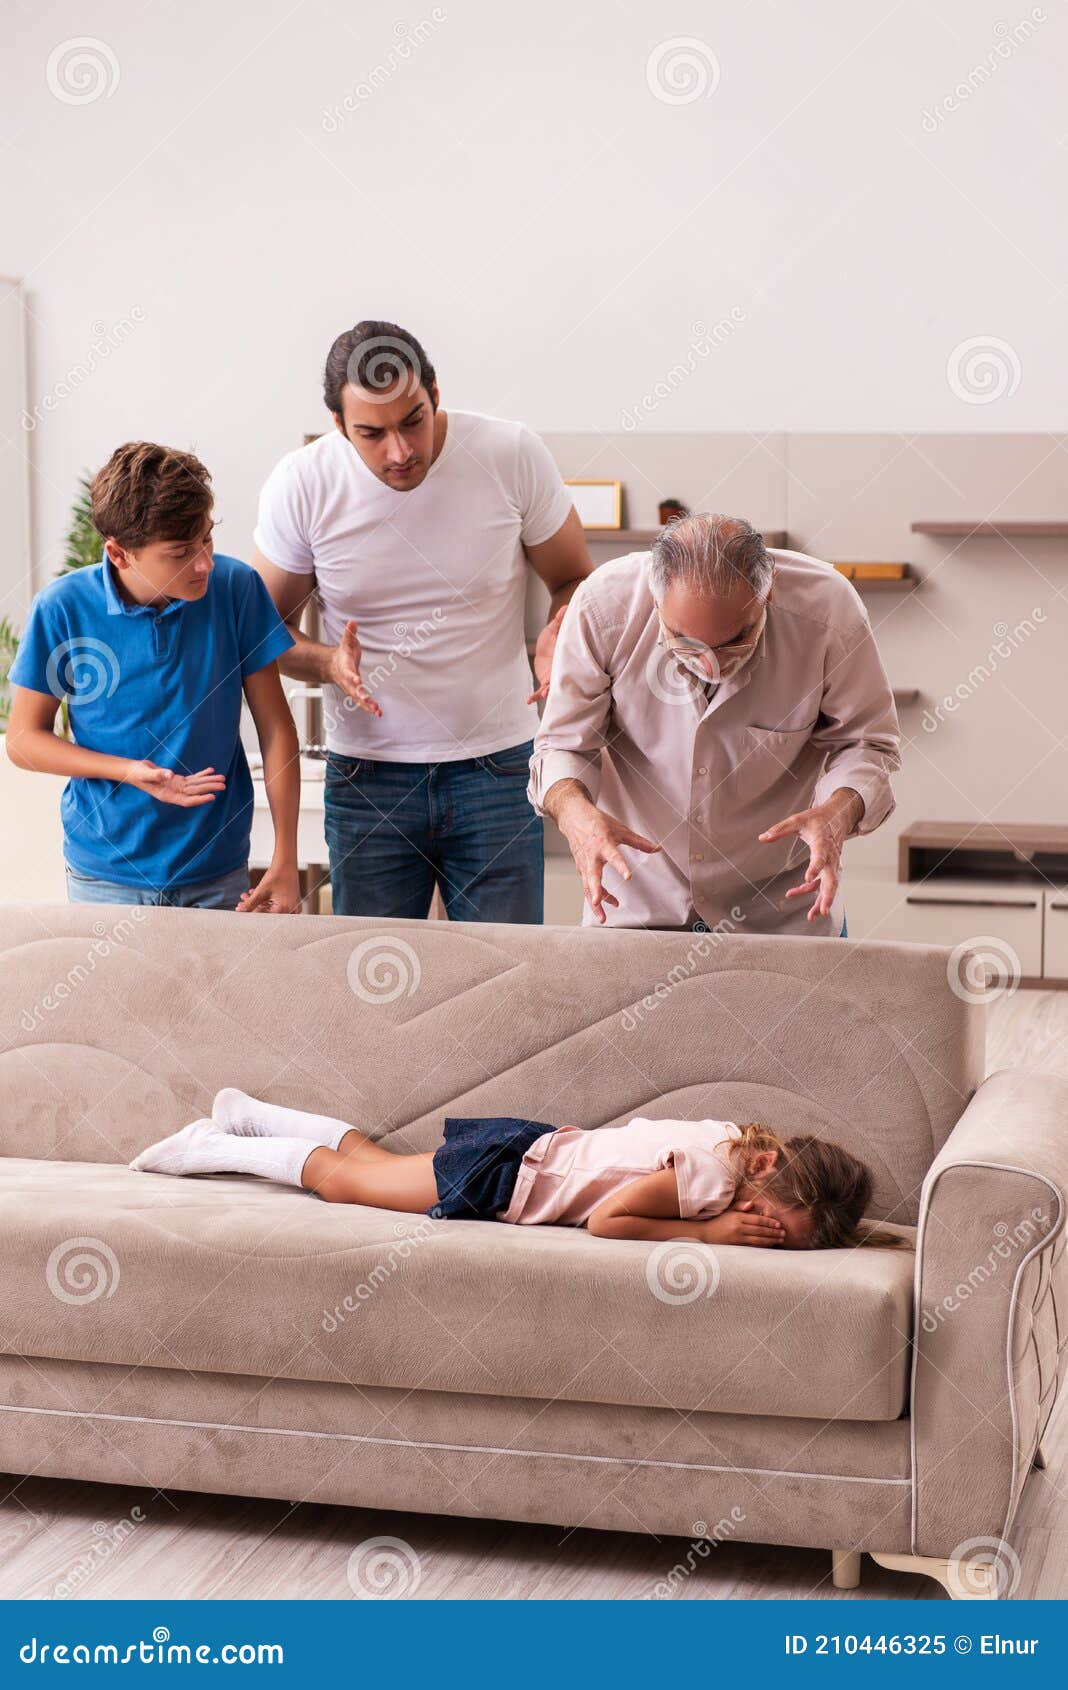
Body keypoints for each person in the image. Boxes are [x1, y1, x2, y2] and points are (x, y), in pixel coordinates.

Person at [251, 319, 592, 923]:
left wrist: (557, 632)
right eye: (372, 434)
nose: (401, 450)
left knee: (506, 980)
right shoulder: (303, 483)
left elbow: (573, 579)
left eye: (413, 420)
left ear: (434, 391)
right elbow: (259, 631)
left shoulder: (510, 454)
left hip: (499, 765)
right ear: (338, 426)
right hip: (367, 777)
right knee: (377, 992)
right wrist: (328, 662)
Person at [529, 513, 901, 935]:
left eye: (734, 641)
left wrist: (838, 812)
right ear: (655, 599)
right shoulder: (603, 606)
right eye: (683, 641)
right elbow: (563, 745)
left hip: (781, 915)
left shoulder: (829, 610)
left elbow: (867, 745)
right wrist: (576, 815)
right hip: (636, 907)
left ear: (769, 594)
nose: (709, 662)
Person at [5, 442, 301, 911]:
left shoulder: (236, 589)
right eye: (182, 552)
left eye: (208, 538)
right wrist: (126, 772)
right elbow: (22, 740)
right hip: (104, 873)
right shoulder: (62, 608)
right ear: (120, 554)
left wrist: (286, 857)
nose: (204, 562)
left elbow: (277, 728)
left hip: (218, 868)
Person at [128, 1091, 898, 1252]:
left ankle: (250, 1113)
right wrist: (719, 1236)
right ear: (766, 1170)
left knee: (371, 1161)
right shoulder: (712, 1181)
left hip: (523, 1153)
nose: (765, 1234)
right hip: (510, 1178)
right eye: (773, 1221)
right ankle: (214, 1144)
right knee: (346, 1181)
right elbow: (608, 1221)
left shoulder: (735, 1142)